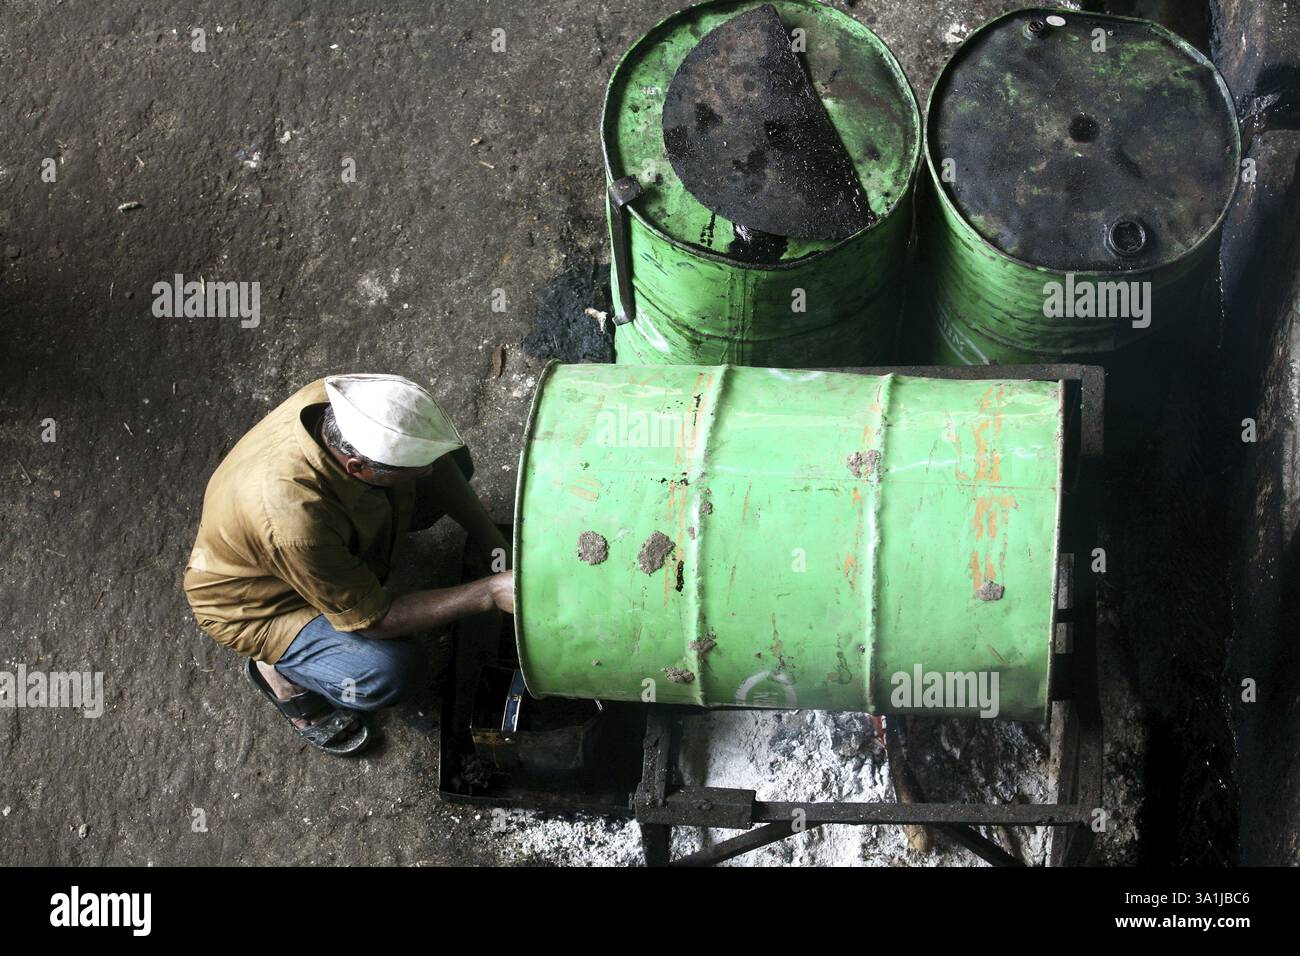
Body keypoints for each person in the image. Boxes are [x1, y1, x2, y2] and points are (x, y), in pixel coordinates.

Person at [184, 374, 512, 755]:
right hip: (261, 606)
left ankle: (355, 567)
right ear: (357, 467)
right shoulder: (295, 523)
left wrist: (494, 542)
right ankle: (279, 670)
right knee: (390, 670)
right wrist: (489, 593)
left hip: (316, 552)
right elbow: (375, 622)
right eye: (413, 470)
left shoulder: (348, 399)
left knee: (450, 458)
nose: (426, 474)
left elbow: (437, 468)